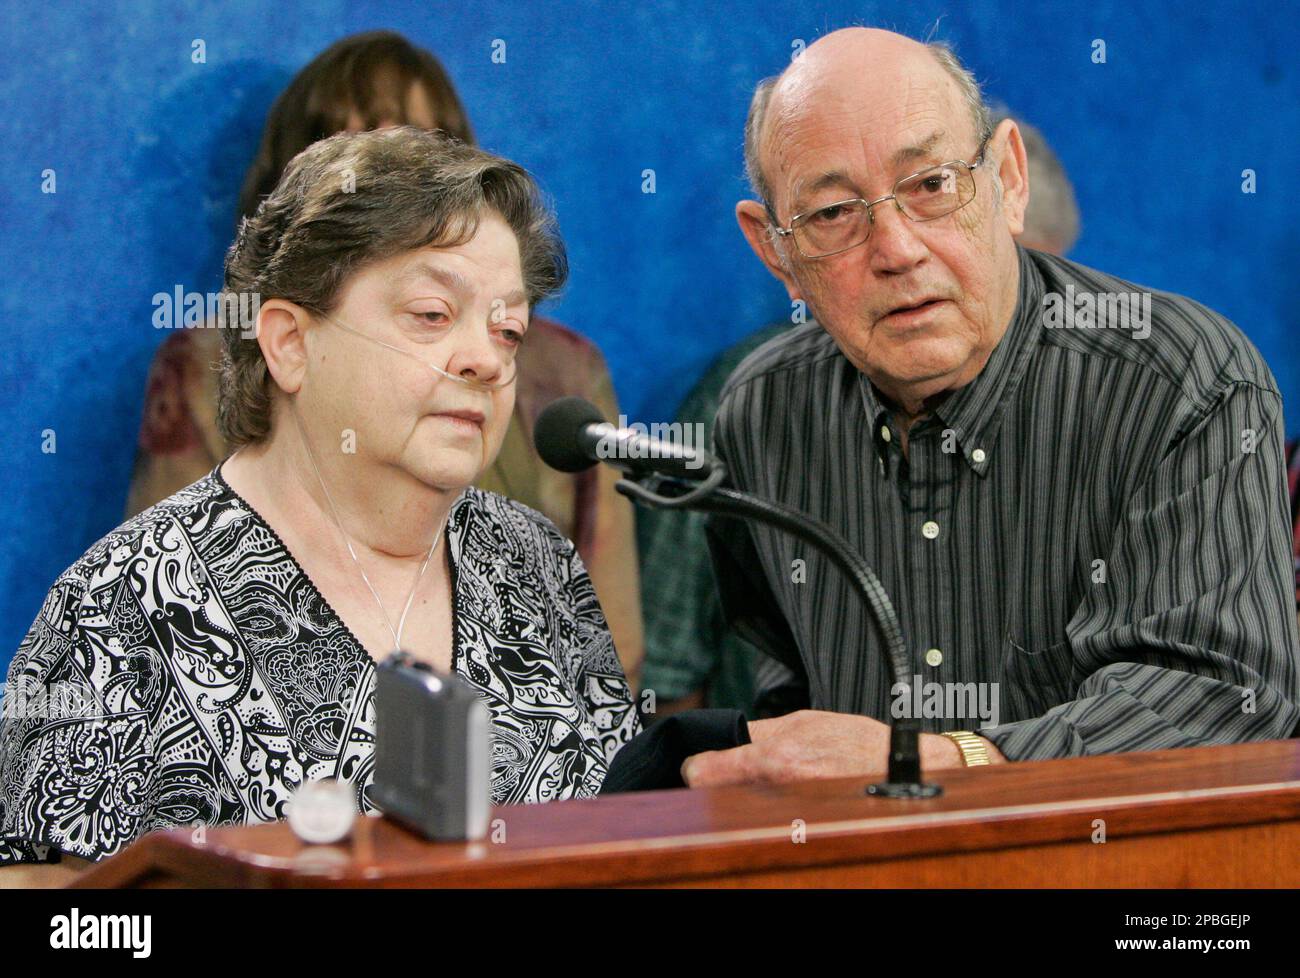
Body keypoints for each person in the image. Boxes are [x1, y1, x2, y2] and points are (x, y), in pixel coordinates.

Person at [0, 127, 640, 883]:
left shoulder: (536, 562)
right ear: (289, 342)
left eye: (508, 328)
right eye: (433, 314)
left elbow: (620, 835)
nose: (487, 359)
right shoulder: (117, 604)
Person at [680, 27, 1299, 786]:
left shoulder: (1185, 383)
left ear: (1007, 178)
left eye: (932, 184)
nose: (897, 248)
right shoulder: (762, 414)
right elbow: (787, 681)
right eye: (834, 213)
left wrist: (948, 761)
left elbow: (1226, 699)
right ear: (776, 251)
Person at [127, 30, 644, 691]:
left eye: (422, 149)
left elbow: (610, 645)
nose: (392, 182)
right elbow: (173, 617)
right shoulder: (206, 363)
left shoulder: (561, 373)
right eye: (352, 150)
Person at [638, 105, 1083, 719]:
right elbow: (664, 676)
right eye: (839, 213)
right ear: (783, 250)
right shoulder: (743, 404)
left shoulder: (1117, 406)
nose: (912, 261)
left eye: (1036, 278)